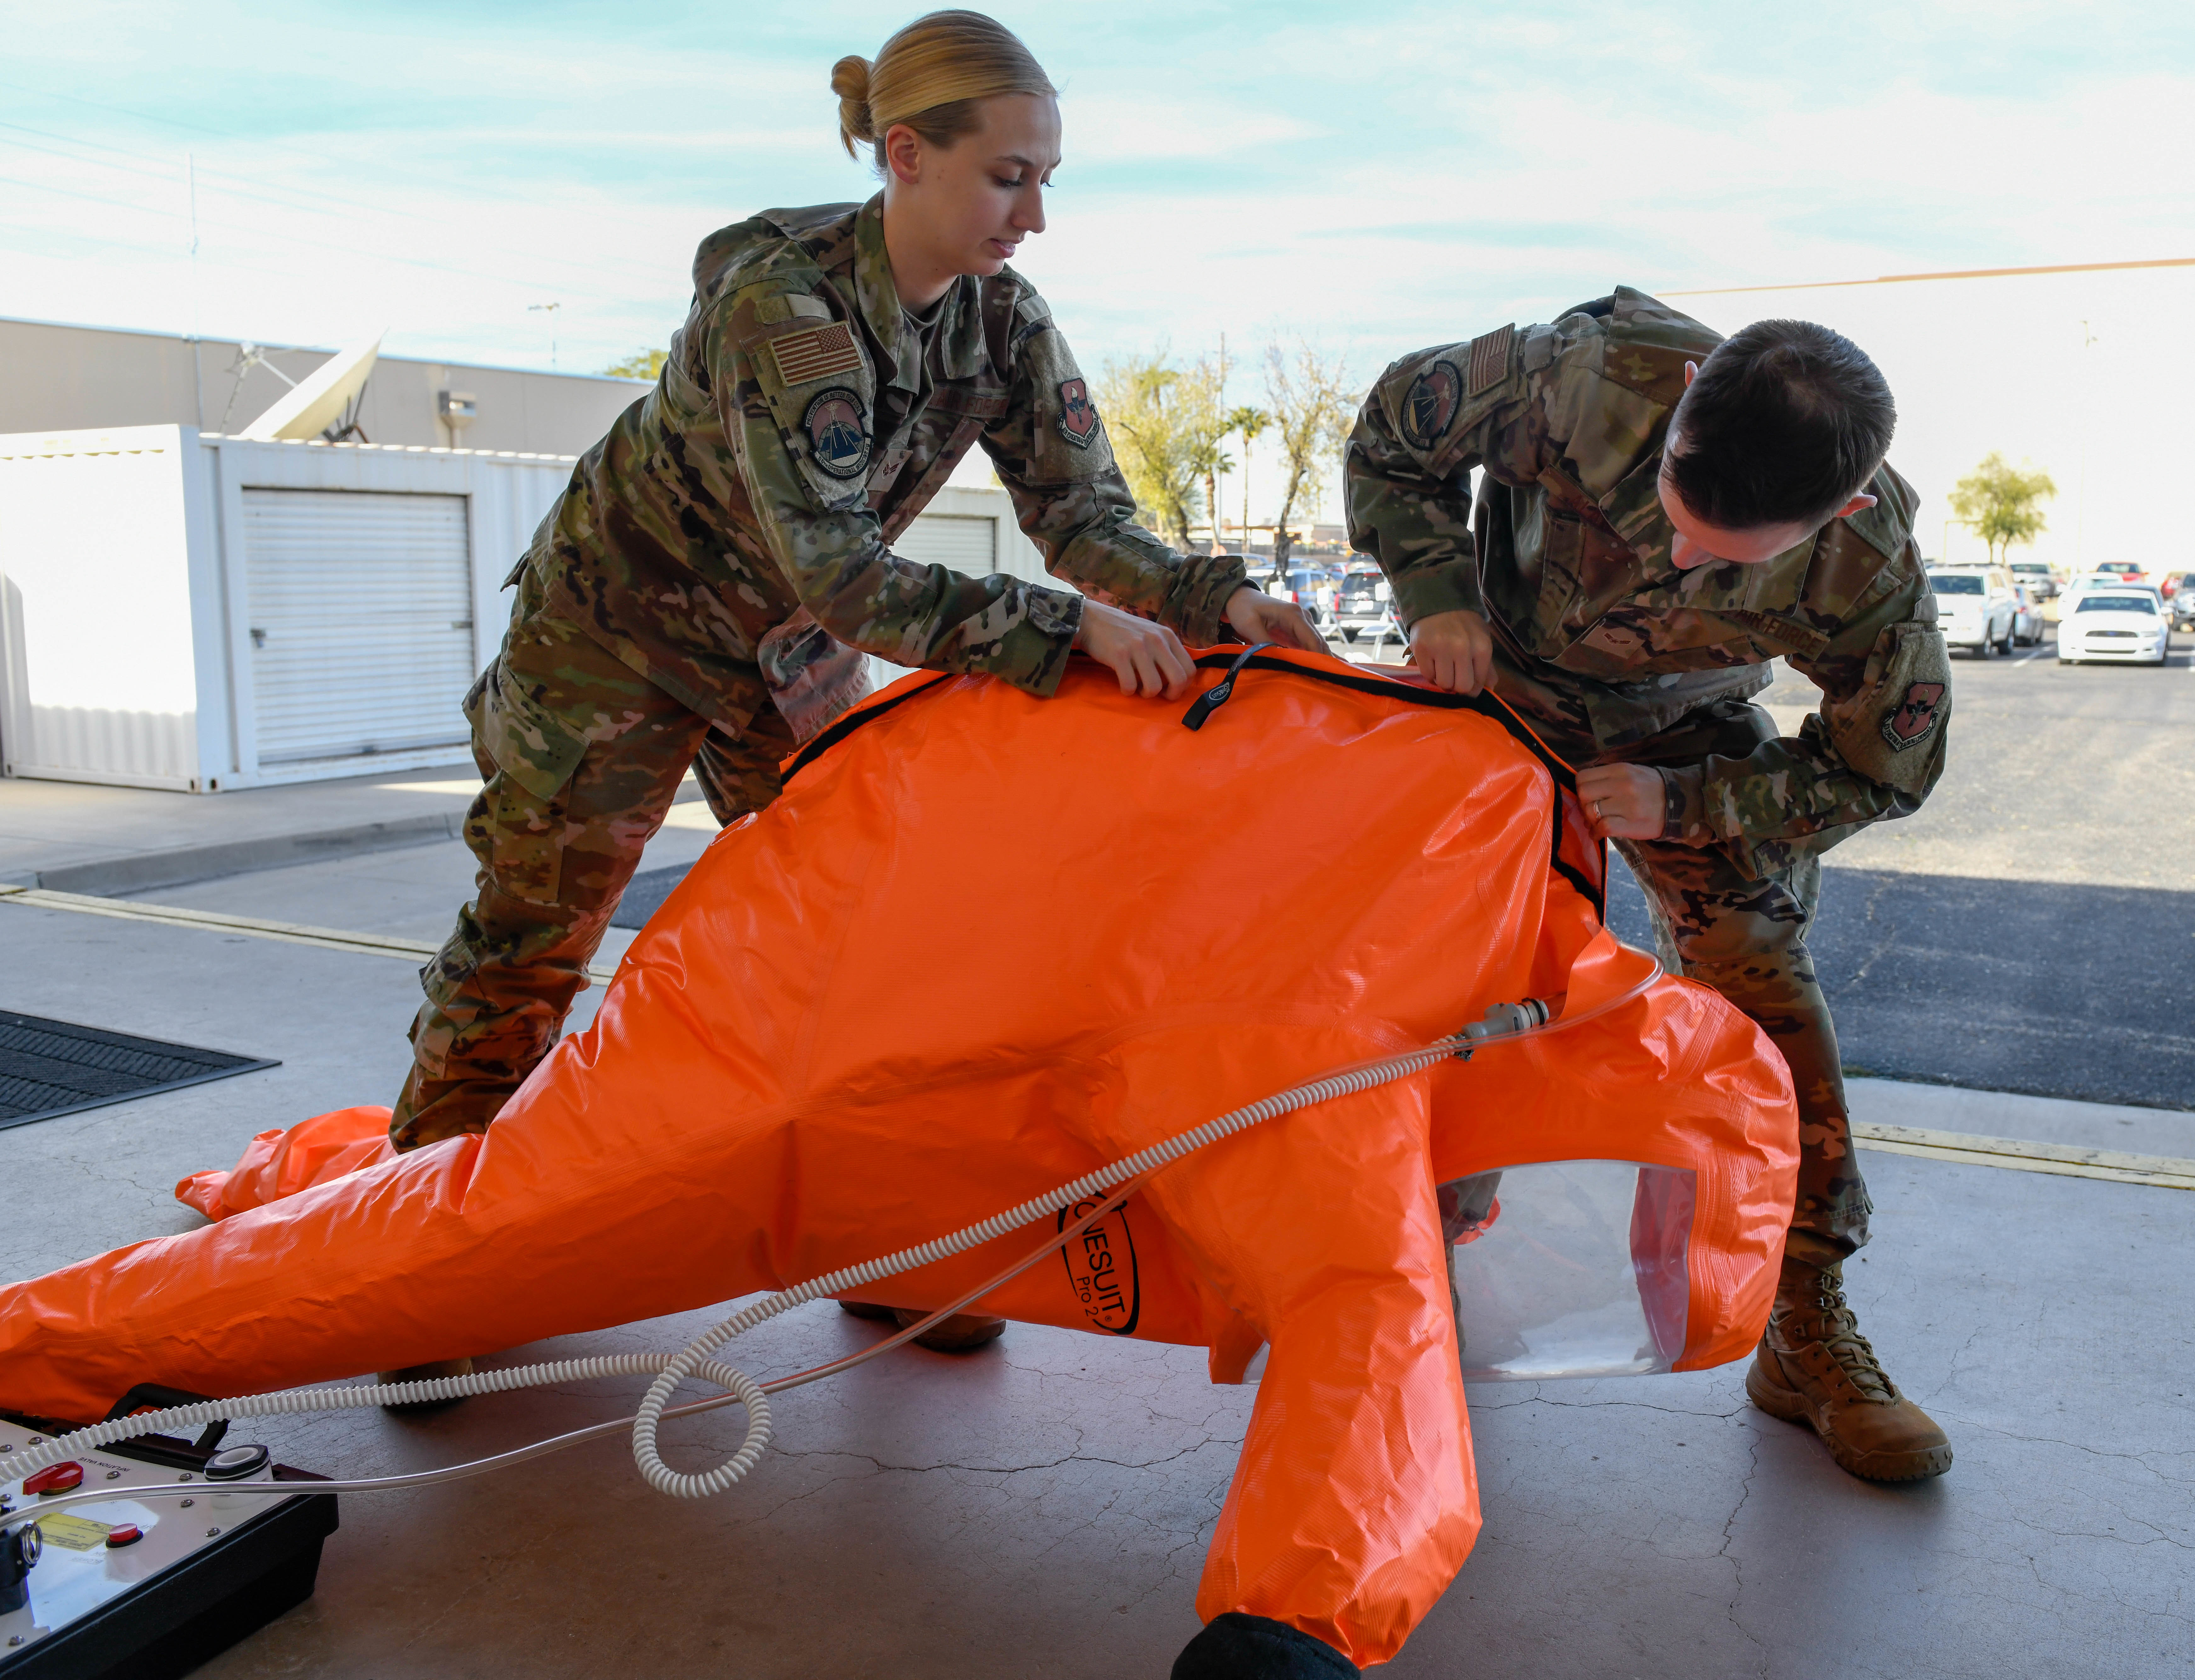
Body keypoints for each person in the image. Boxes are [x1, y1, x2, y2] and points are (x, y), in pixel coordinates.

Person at [388, 9, 1319, 1356]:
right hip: (621, 631)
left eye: (1050, 177)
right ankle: (424, 1262)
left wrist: (1218, 601)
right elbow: (841, 568)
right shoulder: (788, 300)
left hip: (785, 647)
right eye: (1012, 176)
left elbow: (1088, 520)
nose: (1038, 214)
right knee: (533, 940)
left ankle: (882, 1237)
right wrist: (1063, 634)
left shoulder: (1004, 319)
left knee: (866, 948)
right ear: (906, 156)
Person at [1345, 289, 1956, 1484]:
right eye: (1677, 513)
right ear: (1680, 405)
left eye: (1724, 558)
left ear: (1832, 513)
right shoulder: (1583, 379)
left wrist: (1692, 805)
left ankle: (1805, 1326)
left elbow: (1887, 766)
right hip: (1487, 692)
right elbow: (1390, 439)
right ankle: (1405, 1269)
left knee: (1761, 999)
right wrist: (1435, 594)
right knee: (1420, 976)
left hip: (1674, 747)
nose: (1678, 556)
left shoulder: (1864, 564)